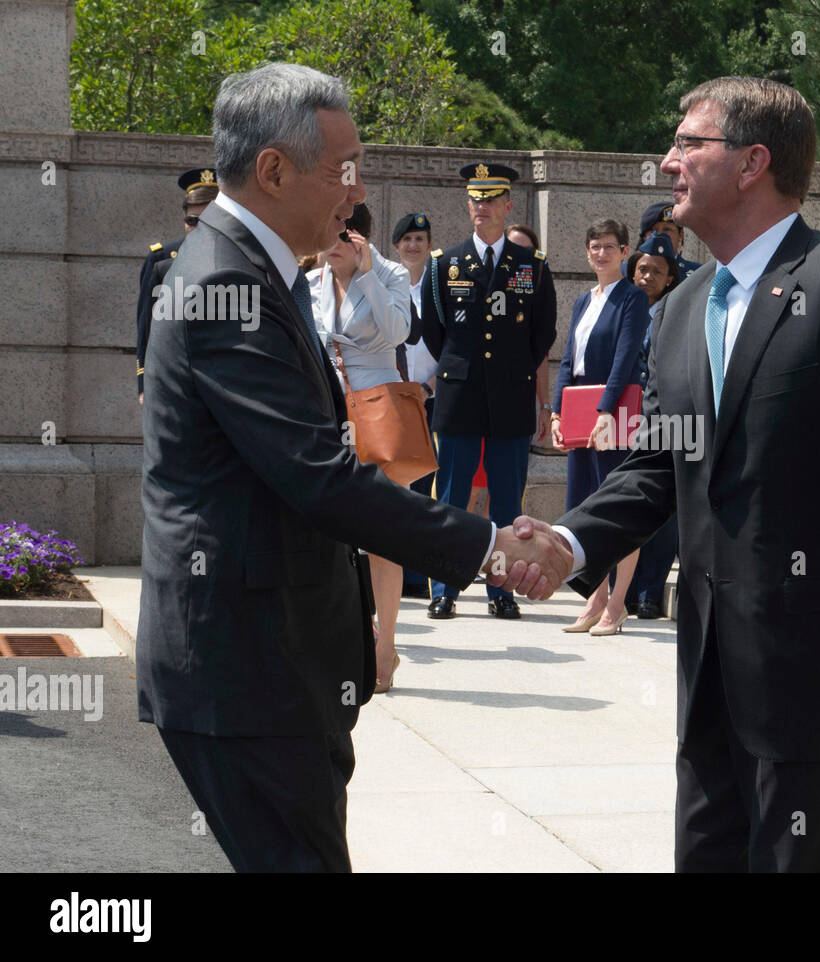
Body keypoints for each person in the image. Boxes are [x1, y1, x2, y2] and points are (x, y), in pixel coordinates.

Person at [136, 62, 571, 873]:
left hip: (275, 660)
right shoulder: (225, 281)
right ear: (273, 169)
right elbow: (318, 477)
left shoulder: (252, 269)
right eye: (344, 169)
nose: (354, 190)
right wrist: (492, 548)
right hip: (248, 671)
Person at [554, 76, 820, 871]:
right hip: (709, 681)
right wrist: (563, 541)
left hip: (819, 687)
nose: (667, 164)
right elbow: (658, 468)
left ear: (754, 161)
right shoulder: (681, 309)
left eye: (689, 144)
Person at [420, 163, 558, 620]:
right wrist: (461, 370)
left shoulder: (531, 267)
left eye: (491, 199)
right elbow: (435, 331)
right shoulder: (446, 263)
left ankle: (502, 590)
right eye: (476, 200)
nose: (482, 207)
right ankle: (445, 587)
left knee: (506, 498)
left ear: (507, 205)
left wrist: (515, 371)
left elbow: (542, 334)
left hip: (510, 394)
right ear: (468, 205)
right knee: (453, 495)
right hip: (459, 395)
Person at [307, 201, 413, 693]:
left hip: (380, 407)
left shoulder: (389, 273)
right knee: (333, 530)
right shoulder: (312, 276)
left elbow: (397, 333)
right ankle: (351, 635)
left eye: (339, 232)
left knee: (384, 535)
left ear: (357, 237)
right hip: (330, 408)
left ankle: (386, 645)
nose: (329, 241)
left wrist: (368, 274)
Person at [550, 219, 651, 635]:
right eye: (595, 246)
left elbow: (626, 358)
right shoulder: (582, 301)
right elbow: (569, 361)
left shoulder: (632, 298)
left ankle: (617, 602)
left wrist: (606, 410)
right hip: (581, 408)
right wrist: (557, 412)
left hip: (614, 410)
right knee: (586, 506)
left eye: (610, 246)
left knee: (618, 508)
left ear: (625, 252)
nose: (602, 253)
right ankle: (593, 598)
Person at [623, 231, 682, 619]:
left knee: (665, 509)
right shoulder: (620, 306)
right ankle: (621, 591)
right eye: (642, 269)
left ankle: (648, 591)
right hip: (624, 416)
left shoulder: (679, 309)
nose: (648, 277)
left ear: (670, 279)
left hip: (669, 419)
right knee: (628, 502)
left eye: (657, 272)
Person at [135, 167, 219, 402]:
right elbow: (146, 327)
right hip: (175, 375)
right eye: (192, 221)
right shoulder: (161, 259)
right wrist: (144, 383)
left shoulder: (239, 257)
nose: (198, 228)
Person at [391, 211, 440, 600]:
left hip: (431, 396)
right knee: (395, 489)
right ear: (396, 246)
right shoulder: (385, 283)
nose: (413, 246)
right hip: (390, 398)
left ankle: (415, 576)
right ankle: (392, 570)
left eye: (419, 240)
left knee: (423, 490)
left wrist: (428, 386)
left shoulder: (439, 285)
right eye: (406, 239)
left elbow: (452, 343)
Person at [506, 222, 554, 446]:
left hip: (517, 404)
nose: (519, 256)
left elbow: (541, 355)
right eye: (513, 247)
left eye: (526, 251)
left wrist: (544, 406)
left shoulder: (535, 296)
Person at [636, 201, 701, 279]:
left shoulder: (698, 273)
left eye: (667, 229)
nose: (660, 235)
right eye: (653, 231)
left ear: (681, 234)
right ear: (644, 236)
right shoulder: (628, 271)